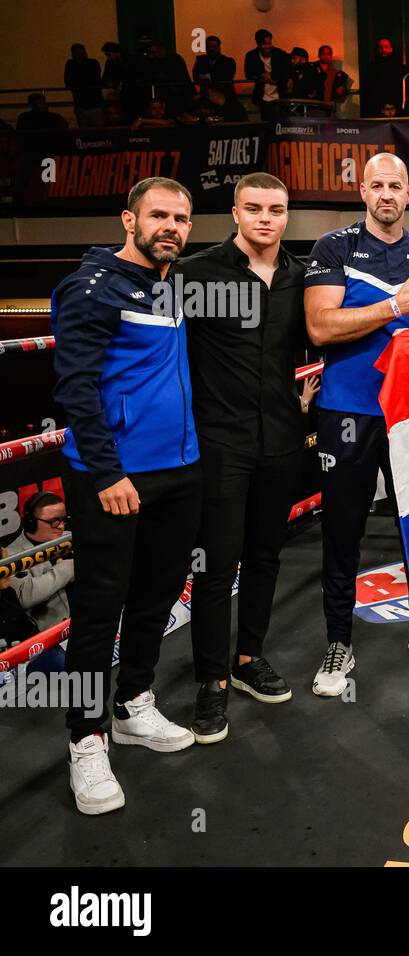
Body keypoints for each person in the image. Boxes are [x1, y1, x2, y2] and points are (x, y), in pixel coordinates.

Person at [52, 176, 204, 815]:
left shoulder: (169, 283)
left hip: (179, 469)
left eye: (181, 219)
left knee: (157, 596)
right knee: (97, 612)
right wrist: (110, 473)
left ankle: (132, 704)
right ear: (128, 220)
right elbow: (76, 391)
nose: (171, 227)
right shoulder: (89, 288)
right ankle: (84, 741)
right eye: (159, 216)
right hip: (111, 476)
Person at [304, 154, 409, 695]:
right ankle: (339, 642)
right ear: (362, 191)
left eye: (396, 186)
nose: (387, 194)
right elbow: (320, 328)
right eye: (377, 186)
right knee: (342, 529)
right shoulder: (333, 249)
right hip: (348, 410)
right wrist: (394, 306)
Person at [174, 173, 306, 744]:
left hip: (280, 438)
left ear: (286, 216)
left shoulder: (300, 278)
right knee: (214, 567)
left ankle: (248, 658)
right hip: (218, 444)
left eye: (275, 209)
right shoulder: (194, 274)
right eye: (253, 208)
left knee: (265, 557)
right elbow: (154, 351)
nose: (264, 219)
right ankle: (211, 681)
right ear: (234, 212)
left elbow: (316, 339)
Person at [9, 492, 73, 632]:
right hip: (52, 637)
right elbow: (24, 596)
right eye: (54, 521)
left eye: (63, 519)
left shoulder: (70, 538)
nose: (61, 526)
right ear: (30, 522)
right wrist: (67, 569)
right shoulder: (11, 555)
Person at [244, 29, 291, 120]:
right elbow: (248, 74)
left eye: (269, 43)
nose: (268, 46)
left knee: (281, 123)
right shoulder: (251, 56)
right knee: (266, 123)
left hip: (280, 95)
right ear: (258, 44)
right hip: (262, 96)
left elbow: (287, 71)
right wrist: (262, 77)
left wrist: (272, 76)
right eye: (264, 44)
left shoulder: (280, 54)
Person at [363, 38, 407, 117]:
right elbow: (368, 88)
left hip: (396, 106)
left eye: (386, 47)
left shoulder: (400, 67)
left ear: (391, 49)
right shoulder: (371, 67)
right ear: (377, 49)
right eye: (381, 47)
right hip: (377, 107)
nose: (383, 49)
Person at [65, 44, 105, 128]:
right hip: (84, 104)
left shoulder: (92, 63)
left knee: (97, 130)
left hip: (92, 103)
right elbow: (68, 81)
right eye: (77, 54)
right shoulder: (72, 64)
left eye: (81, 54)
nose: (79, 56)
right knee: (87, 132)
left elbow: (94, 79)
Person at [192, 35, 237, 101]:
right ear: (206, 48)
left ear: (219, 47)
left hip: (225, 97)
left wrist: (207, 77)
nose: (211, 49)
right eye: (209, 47)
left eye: (214, 47)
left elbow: (227, 77)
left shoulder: (228, 62)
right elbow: (196, 77)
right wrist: (215, 77)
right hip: (207, 97)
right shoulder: (200, 61)